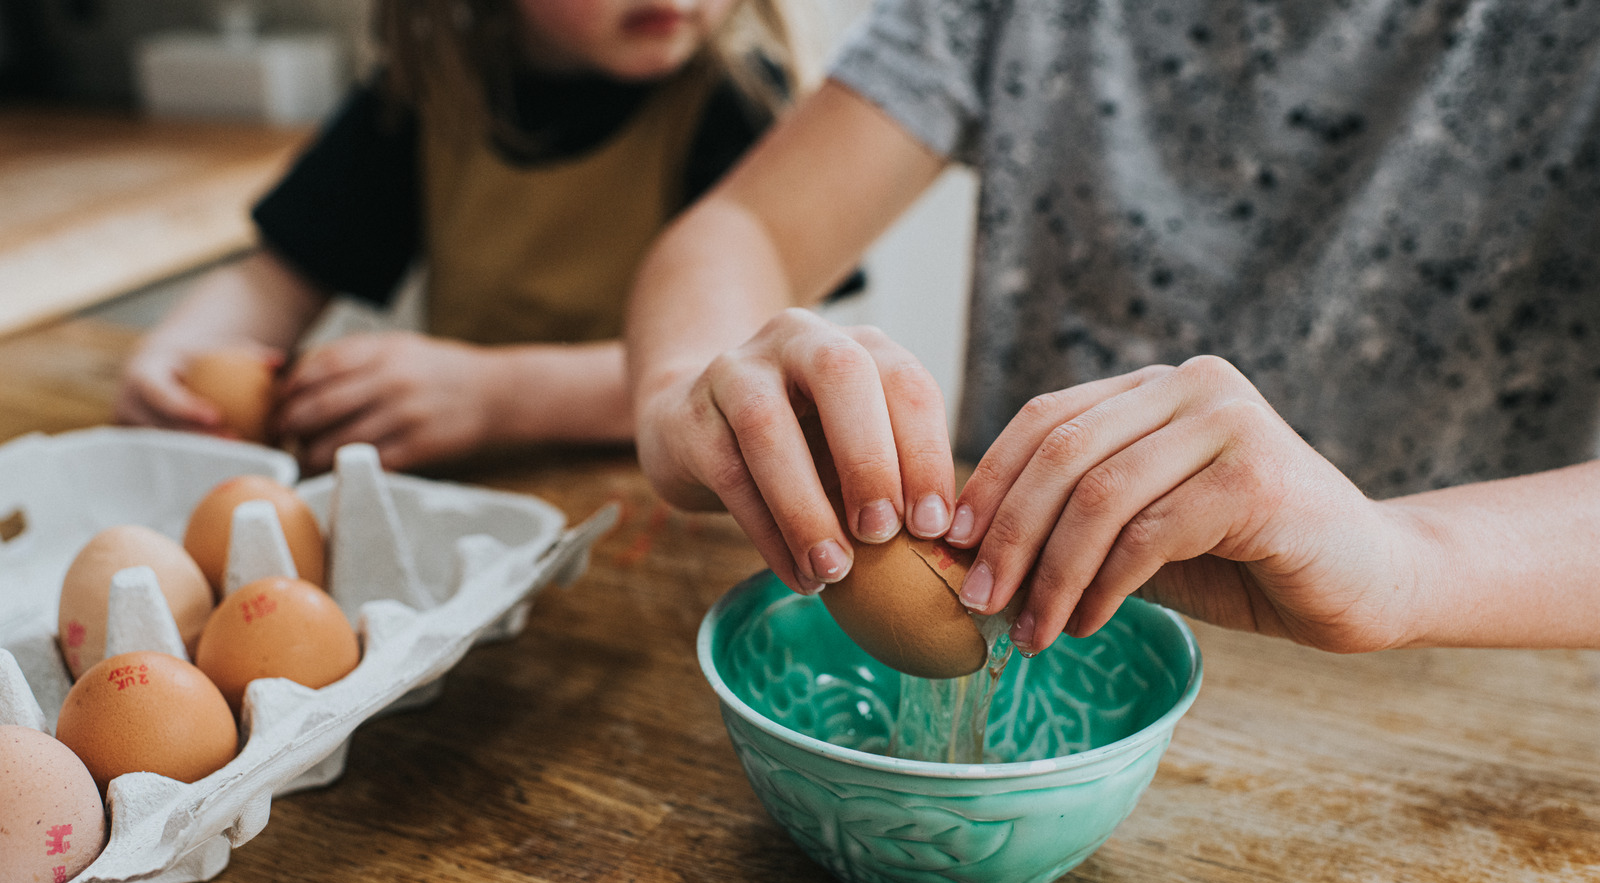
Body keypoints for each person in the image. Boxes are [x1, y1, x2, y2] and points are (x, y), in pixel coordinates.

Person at [624, 0, 1600, 657]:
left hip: (1469, 687)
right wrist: (683, 389)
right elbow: (742, 227)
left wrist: (1407, 557)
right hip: (1047, 637)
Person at [116, 0, 828, 473]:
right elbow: (278, 275)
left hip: (656, 506)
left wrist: (498, 396)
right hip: (468, 498)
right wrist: (178, 355)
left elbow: (746, 378)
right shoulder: (431, 90)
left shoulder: (735, 100)